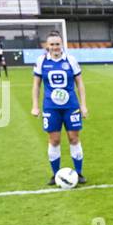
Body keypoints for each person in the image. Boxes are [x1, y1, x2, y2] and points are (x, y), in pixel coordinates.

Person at [31, 31, 88, 185]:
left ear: (61, 44)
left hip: (71, 106)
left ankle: (79, 173)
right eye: (52, 44)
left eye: (57, 44)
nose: (55, 47)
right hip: (51, 107)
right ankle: (55, 175)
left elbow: (80, 84)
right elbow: (36, 85)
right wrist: (35, 106)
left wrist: (83, 105)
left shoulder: (70, 60)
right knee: (54, 140)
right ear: (47, 46)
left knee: (74, 138)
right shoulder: (41, 61)